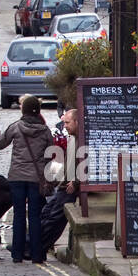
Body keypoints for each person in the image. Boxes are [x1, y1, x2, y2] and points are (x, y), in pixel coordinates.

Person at [0, 95, 55, 263]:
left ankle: (17, 254)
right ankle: (36, 255)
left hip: (17, 177)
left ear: (24, 109)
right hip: (36, 178)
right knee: (35, 216)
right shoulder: (45, 131)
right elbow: (51, 154)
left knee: (19, 215)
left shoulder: (16, 127)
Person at [39, 106, 80, 256]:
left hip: (70, 188)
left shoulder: (82, 140)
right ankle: (32, 243)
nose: (65, 126)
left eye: (68, 123)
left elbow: (87, 163)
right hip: (64, 185)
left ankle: (36, 247)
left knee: (53, 220)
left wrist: (76, 182)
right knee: (46, 213)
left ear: (77, 122)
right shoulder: (73, 138)